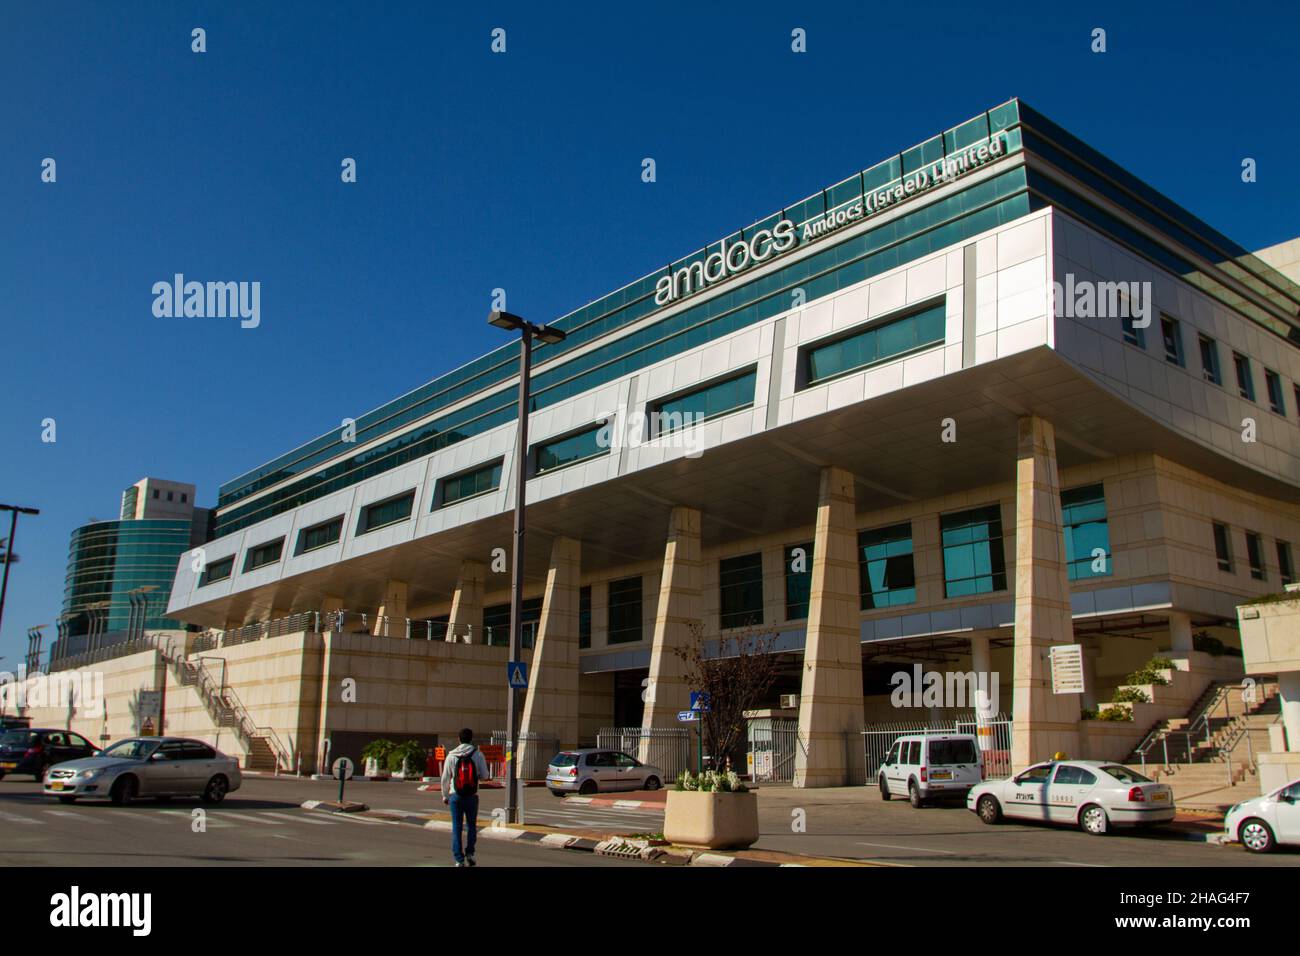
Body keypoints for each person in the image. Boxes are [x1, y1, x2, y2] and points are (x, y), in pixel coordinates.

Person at [440, 728, 491, 866]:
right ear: (471, 739)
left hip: (455, 796)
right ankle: (470, 852)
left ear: (459, 739)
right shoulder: (478, 754)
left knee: (456, 827)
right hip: (472, 796)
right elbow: (485, 776)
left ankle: (458, 859)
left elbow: (445, 778)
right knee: (471, 826)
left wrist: (445, 796)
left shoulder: (451, 756)